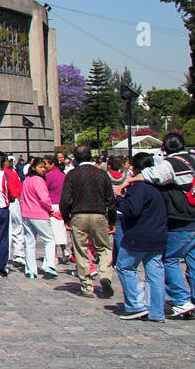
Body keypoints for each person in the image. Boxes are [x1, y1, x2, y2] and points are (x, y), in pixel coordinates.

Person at [127, 131, 195, 318]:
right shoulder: (192, 159)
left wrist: (130, 180)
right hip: (193, 221)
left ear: (165, 149)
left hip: (181, 218)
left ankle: (181, 300)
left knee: (170, 259)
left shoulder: (171, 164)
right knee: (192, 260)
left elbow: (152, 174)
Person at [115, 153, 168, 321]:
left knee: (125, 267)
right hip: (158, 235)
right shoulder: (157, 186)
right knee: (155, 273)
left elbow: (132, 210)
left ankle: (136, 305)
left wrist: (119, 198)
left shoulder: (138, 187)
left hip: (138, 236)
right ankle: (156, 311)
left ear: (133, 167)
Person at [60, 145, 117, 298]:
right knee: (104, 248)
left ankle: (86, 286)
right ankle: (105, 274)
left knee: (81, 250)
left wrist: (66, 218)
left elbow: (65, 199)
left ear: (75, 158)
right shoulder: (101, 174)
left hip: (79, 215)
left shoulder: (72, 174)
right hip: (99, 214)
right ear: (91, 157)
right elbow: (110, 199)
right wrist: (112, 220)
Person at [18, 157, 58, 279]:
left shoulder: (27, 180)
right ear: (34, 167)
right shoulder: (38, 180)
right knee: (49, 239)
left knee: (29, 242)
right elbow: (44, 198)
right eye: (40, 167)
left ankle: (31, 270)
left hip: (26, 214)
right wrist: (50, 210)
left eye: (44, 167)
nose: (43, 170)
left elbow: (22, 197)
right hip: (39, 214)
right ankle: (49, 266)